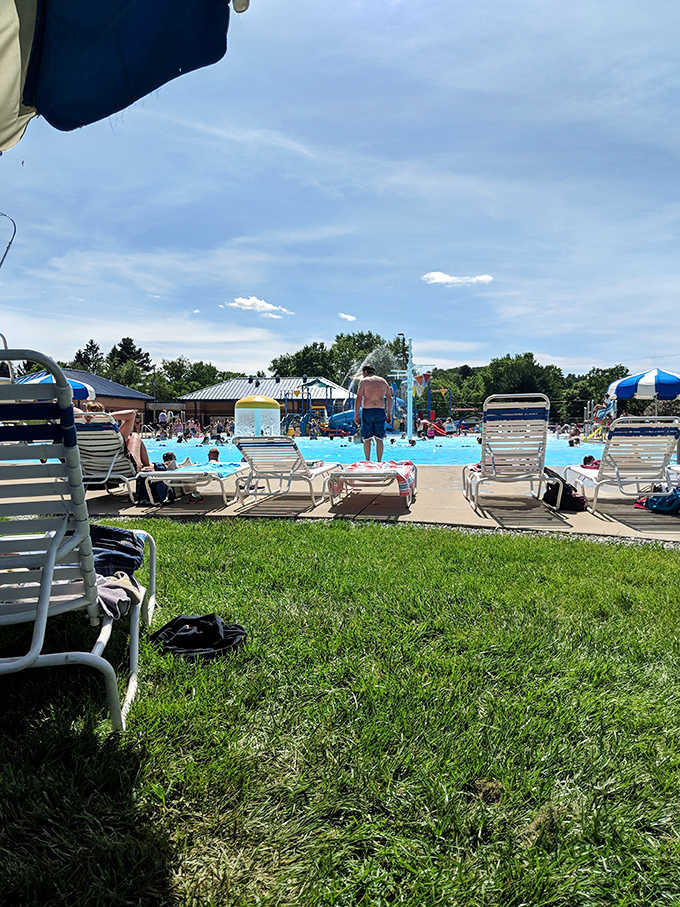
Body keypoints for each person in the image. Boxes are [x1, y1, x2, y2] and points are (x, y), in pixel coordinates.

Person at [354, 365, 392, 462]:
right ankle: (379, 461)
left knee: (367, 439)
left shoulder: (364, 381)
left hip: (368, 411)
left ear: (365, 372)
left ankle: (367, 461)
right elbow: (389, 398)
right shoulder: (383, 381)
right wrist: (389, 414)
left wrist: (356, 415)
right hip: (380, 411)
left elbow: (358, 398)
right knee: (379, 439)